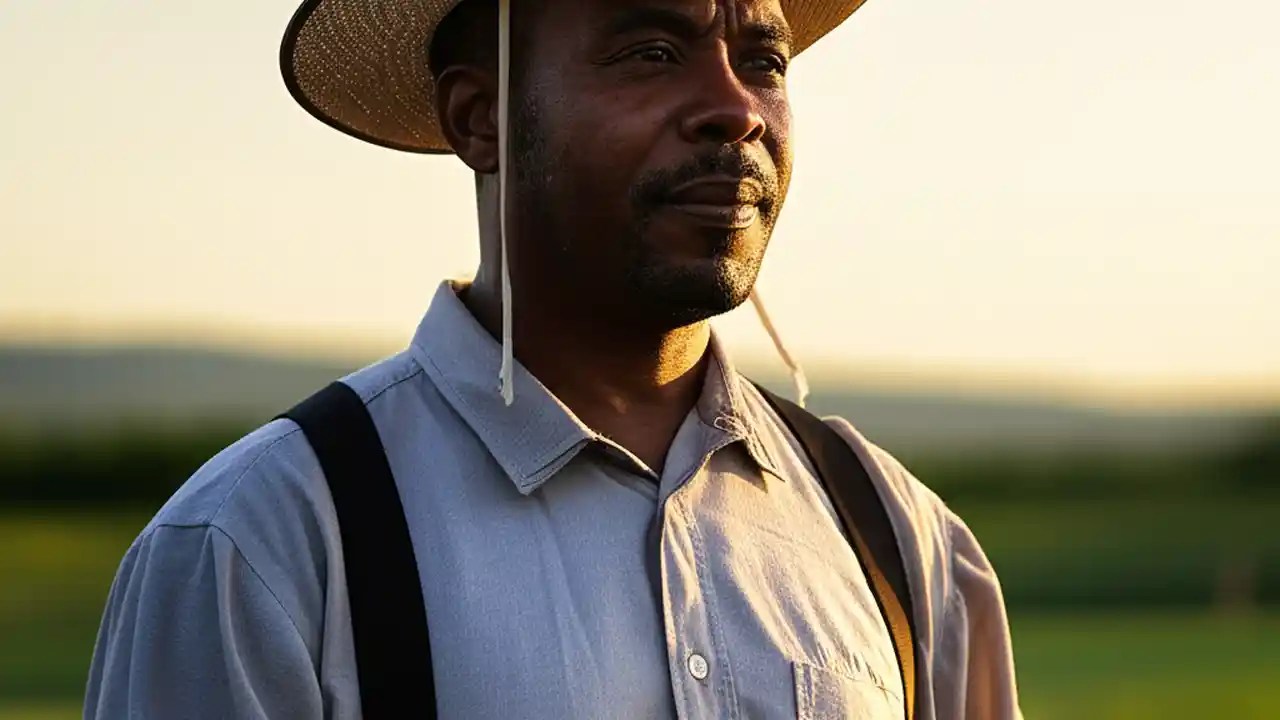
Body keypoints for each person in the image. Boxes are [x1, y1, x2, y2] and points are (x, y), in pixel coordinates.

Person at [85, 0, 1021, 718]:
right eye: (652, 52)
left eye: (762, 59)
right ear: (480, 117)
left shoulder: (904, 544)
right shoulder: (262, 546)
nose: (735, 109)